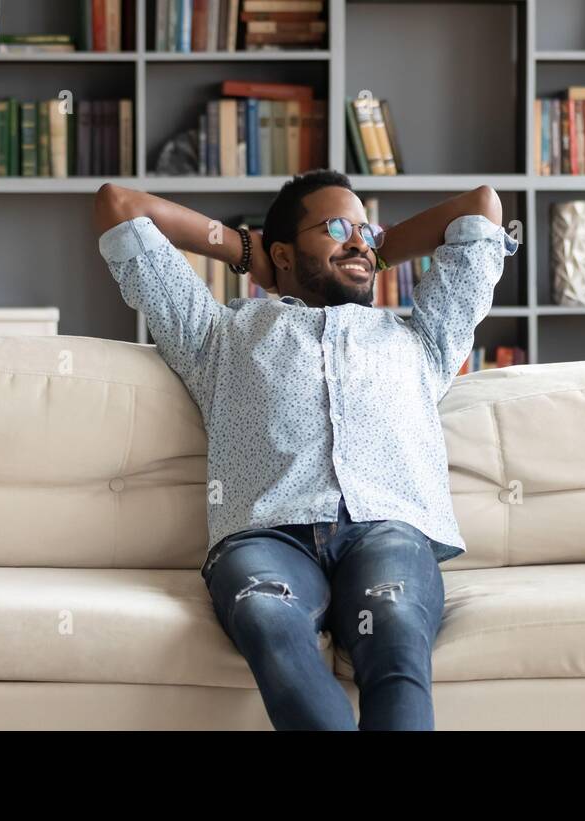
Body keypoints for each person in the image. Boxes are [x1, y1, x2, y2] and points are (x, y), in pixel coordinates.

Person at [93, 169, 518, 730]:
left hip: (387, 529)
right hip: (267, 537)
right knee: (267, 616)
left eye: (370, 231)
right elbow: (119, 205)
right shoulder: (216, 335)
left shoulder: (424, 338)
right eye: (338, 226)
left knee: (394, 632)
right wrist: (246, 250)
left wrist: (365, 250)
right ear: (284, 254)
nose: (360, 239)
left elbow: (482, 206)